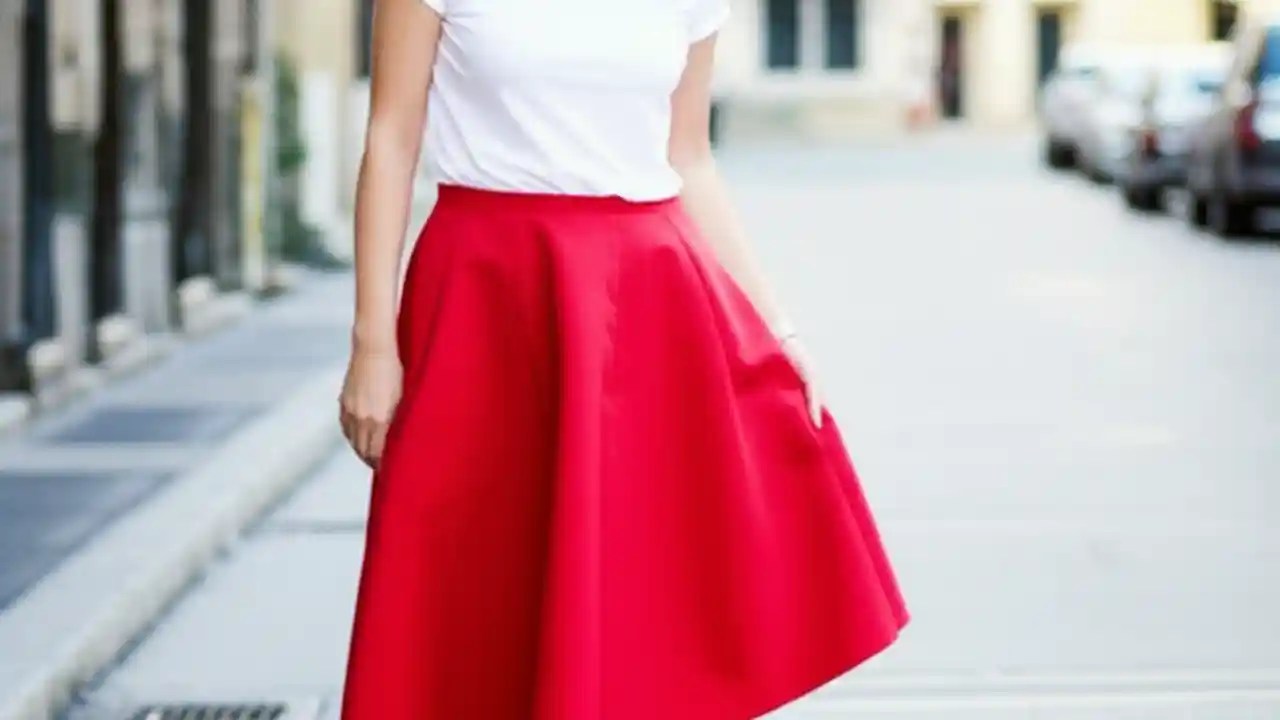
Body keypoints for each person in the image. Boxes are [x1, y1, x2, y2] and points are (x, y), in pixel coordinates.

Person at [336, 0, 909, 717]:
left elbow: (688, 159)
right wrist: (372, 341)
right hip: (486, 298)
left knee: (632, 590)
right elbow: (391, 140)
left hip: (644, 302)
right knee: (469, 583)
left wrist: (777, 327)